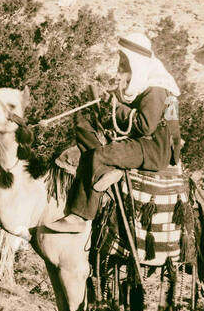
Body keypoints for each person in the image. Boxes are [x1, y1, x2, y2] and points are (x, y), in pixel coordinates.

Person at [48, 31, 181, 232]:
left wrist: (116, 107)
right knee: (86, 132)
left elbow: (146, 125)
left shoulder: (156, 88)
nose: (121, 68)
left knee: (101, 154)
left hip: (153, 149)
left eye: (124, 63)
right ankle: (106, 174)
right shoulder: (146, 82)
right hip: (143, 142)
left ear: (136, 64)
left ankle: (81, 217)